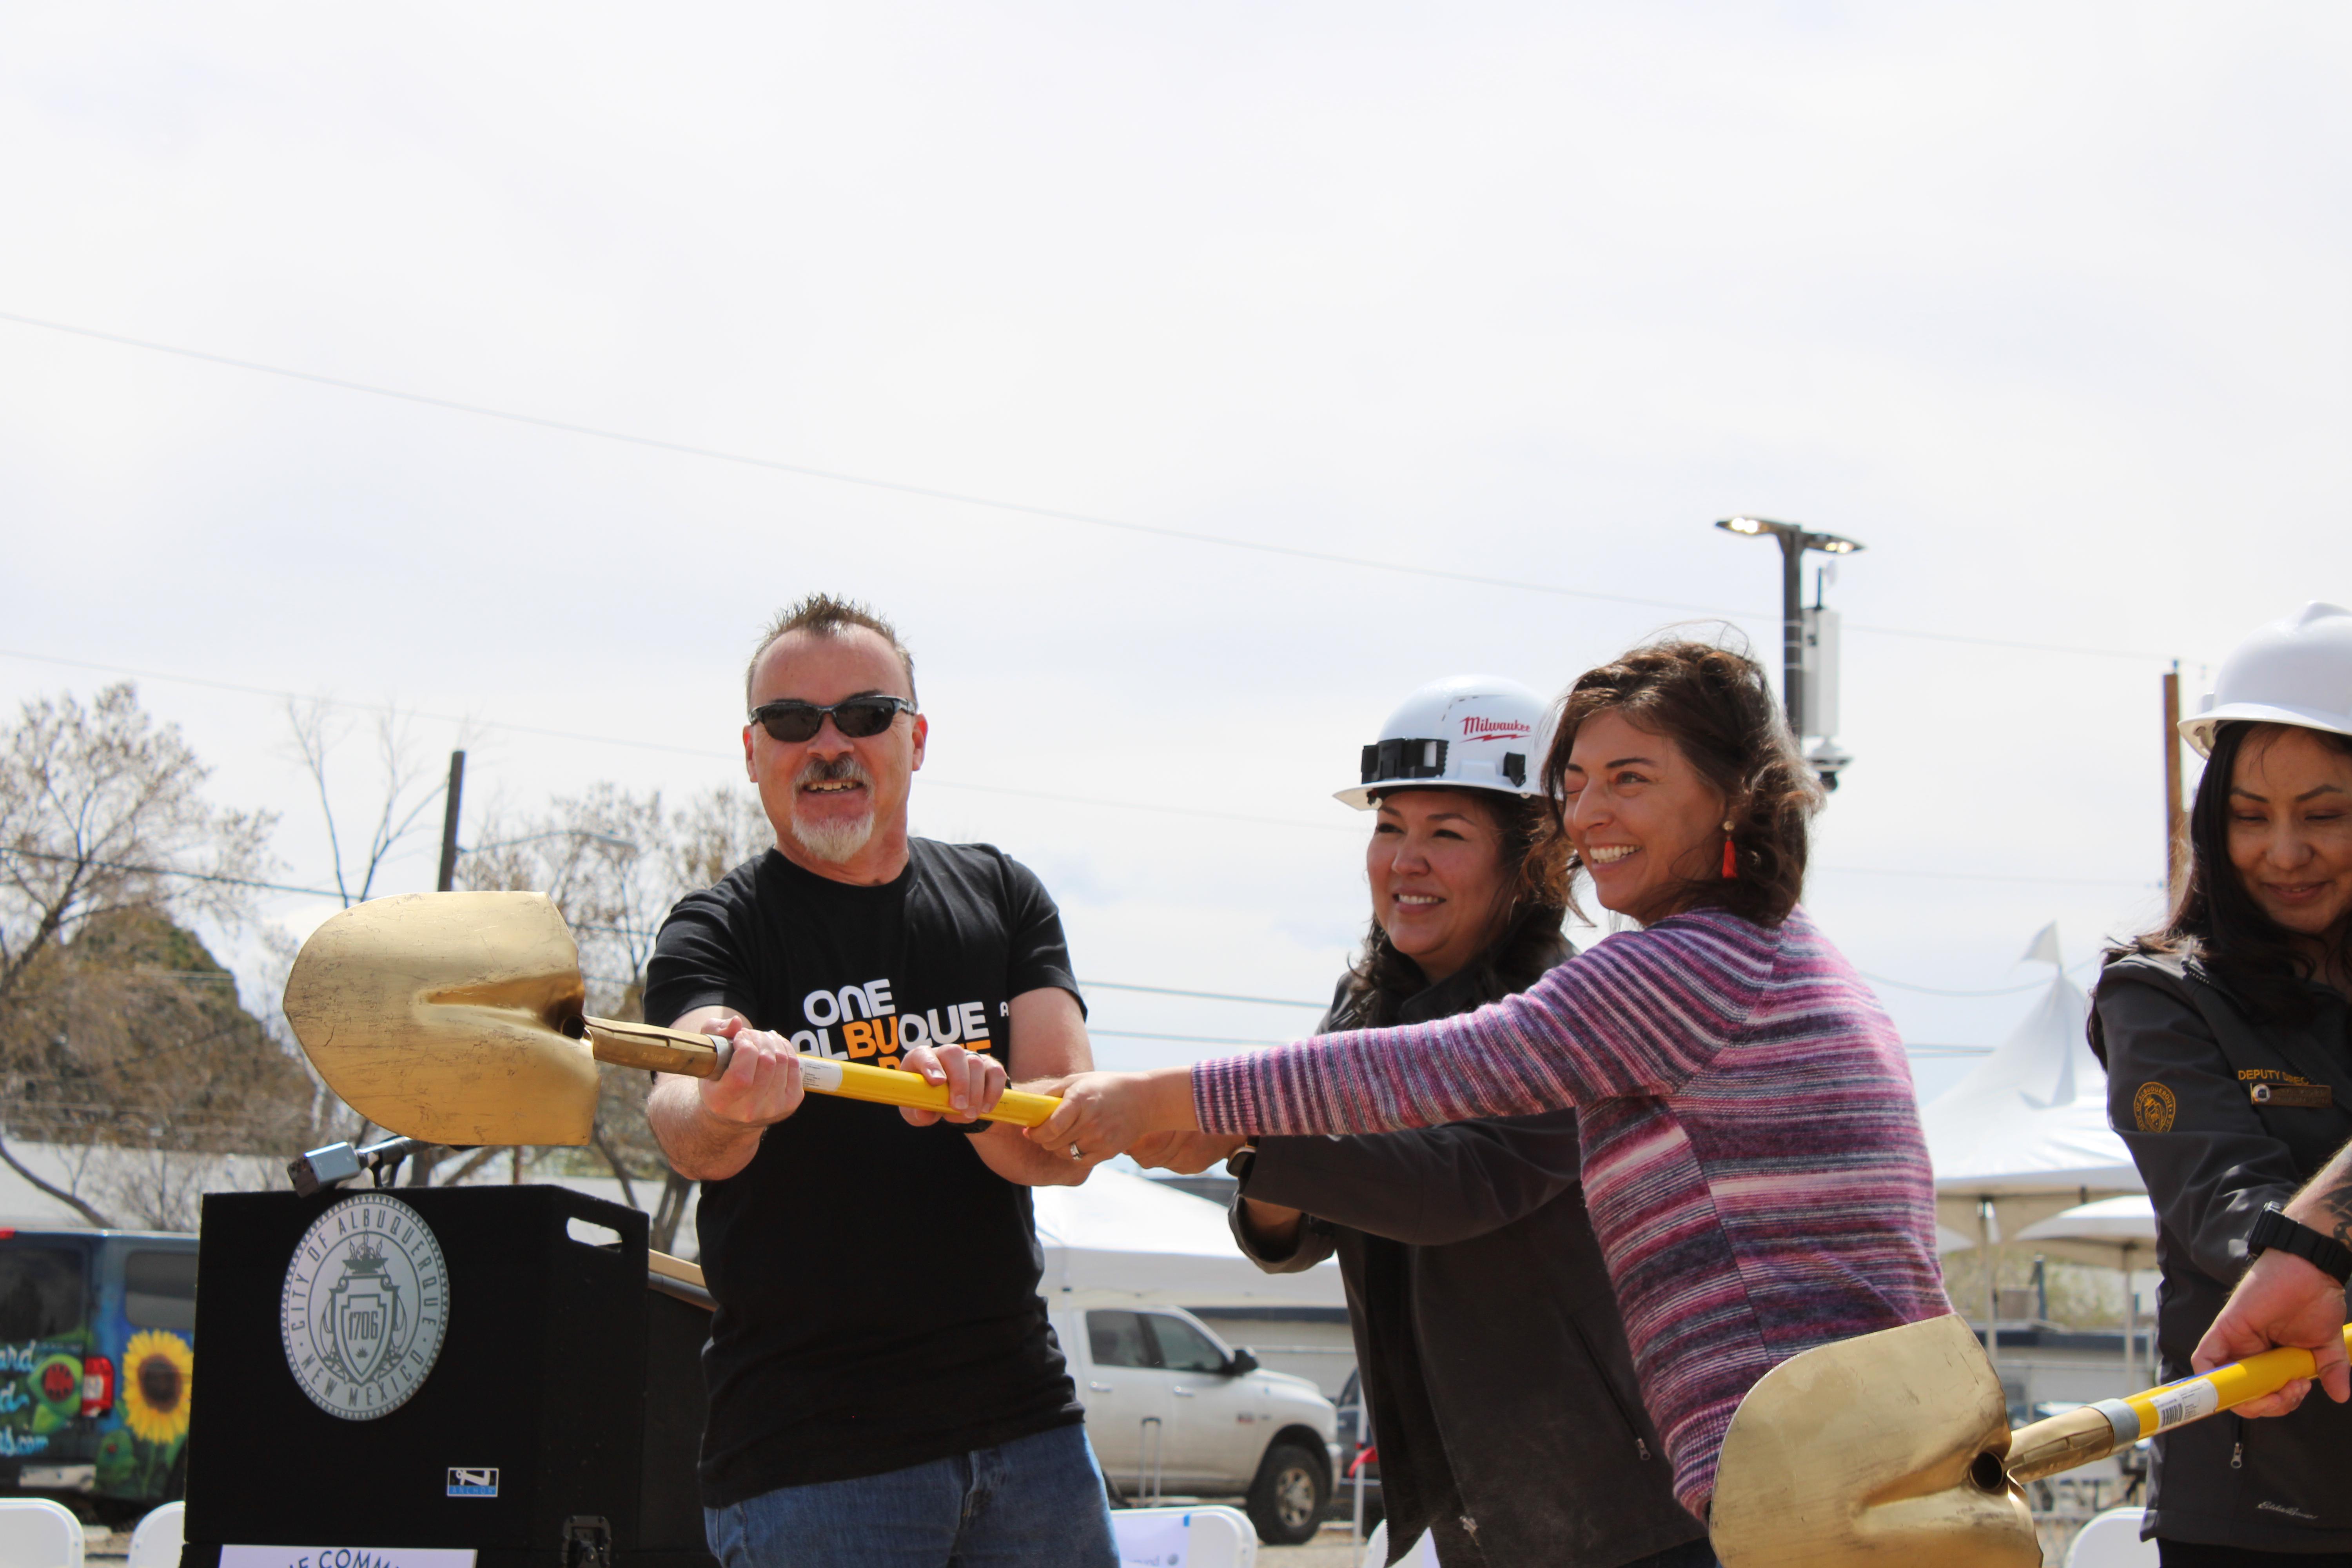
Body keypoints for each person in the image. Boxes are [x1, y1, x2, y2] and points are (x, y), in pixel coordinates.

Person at [1001, 638, 1948, 1527]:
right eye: (1576, 783)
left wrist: (1183, 1105)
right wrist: (1247, 1143)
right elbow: (1323, 1180)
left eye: (1630, 779)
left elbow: (1438, 1107)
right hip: (1820, 1450)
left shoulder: (1661, 979)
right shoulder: (1769, 953)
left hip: (1707, 1484)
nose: (1590, 813)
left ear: (1732, 797)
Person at [1137, 675, 1709, 1568]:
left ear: (1539, 856)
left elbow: (1459, 1183)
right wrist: (1258, 1164)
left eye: (1446, 834)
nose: (1406, 860)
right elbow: (1293, 1234)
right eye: (1389, 827)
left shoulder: (1569, 1011)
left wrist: (1248, 1132)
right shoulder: (1365, 1007)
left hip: (1617, 1507)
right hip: (1466, 1500)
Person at [642, 594, 1116, 1568]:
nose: (828, 743)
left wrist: (973, 1114)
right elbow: (683, 1118)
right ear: (751, 751)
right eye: (791, 721)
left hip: (1030, 1436)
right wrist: (729, 1101)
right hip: (811, 1466)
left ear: (916, 738)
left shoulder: (1003, 896)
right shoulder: (716, 929)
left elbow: (1070, 1138)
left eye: (864, 714)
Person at [2090, 601, 2352, 1563]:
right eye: (2249, 817)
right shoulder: (2160, 995)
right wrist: (2304, 1249)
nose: (2282, 852)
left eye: (2324, 815)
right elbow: (2227, 1209)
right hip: (2257, 1513)